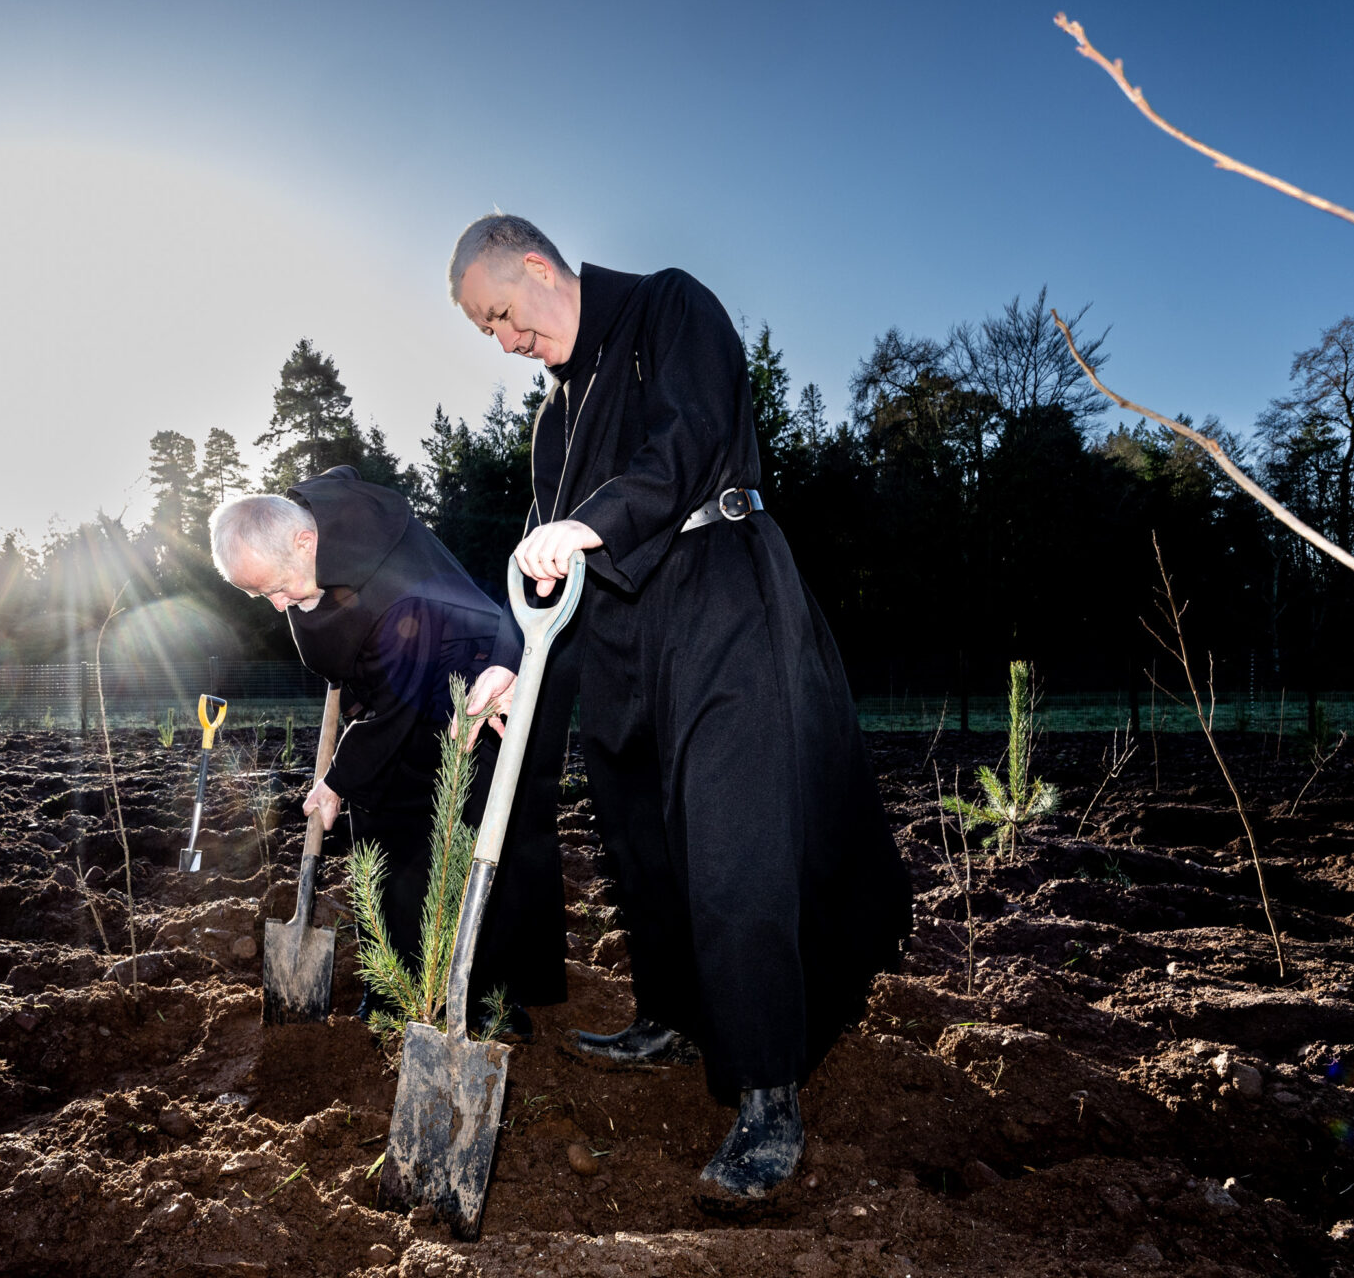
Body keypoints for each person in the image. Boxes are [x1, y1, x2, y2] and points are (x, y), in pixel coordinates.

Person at [449, 213, 913, 1206]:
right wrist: (511, 668)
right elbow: (542, 555)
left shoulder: (670, 307)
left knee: (733, 839)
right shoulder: (551, 422)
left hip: (720, 593)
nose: (504, 340)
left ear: (535, 267)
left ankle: (766, 1092)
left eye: (500, 314)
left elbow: (691, 437)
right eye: (486, 332)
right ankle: (669, 1012)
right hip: (621, 635)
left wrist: (593, 521)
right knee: (643, 839)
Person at [209, 466, 567, 1031]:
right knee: (379, 826)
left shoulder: (388, 590)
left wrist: (336, 778)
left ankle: (487, 1001)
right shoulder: (318, 515)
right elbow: (337, 477)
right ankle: (394, 984)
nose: (276, 606)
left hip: (469, 688)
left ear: (307, 542)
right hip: (391, 686)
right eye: (260, 595)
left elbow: (396, 709)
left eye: (276, 587)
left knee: (471, 835)